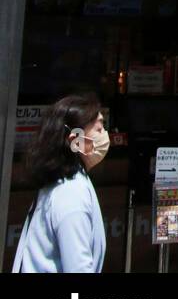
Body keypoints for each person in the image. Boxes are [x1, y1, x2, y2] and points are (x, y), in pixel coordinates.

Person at [12, 92, 108, 273]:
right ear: (75, 140)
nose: (105, 136)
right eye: (99, 129)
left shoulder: (60, 185)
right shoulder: (71, 194)